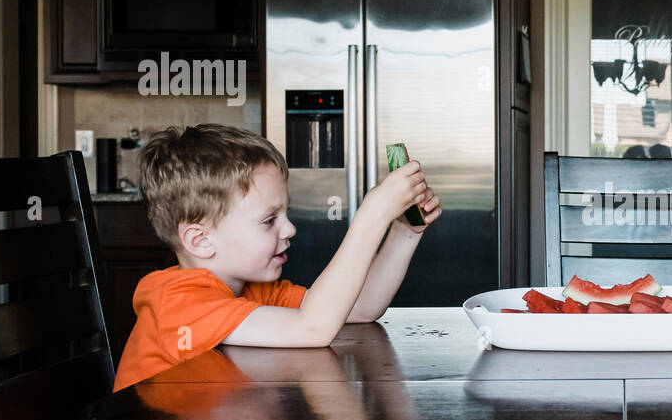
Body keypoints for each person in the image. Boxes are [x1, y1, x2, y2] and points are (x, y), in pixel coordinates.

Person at [112, 123, 441, 391]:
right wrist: (371, 217)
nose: (289, 229)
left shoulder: (251, 290)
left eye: (286, 213)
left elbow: (360, 307)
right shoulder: (178, 303)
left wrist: (403, 232)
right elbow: (313, 328)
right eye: (269, 220)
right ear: (200, 240)